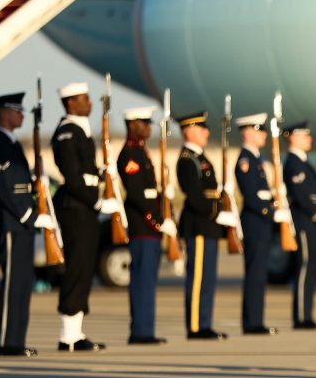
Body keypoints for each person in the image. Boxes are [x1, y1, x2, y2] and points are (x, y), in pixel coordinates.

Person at [52, 82, 117, 352]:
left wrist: (102, 173)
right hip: (77, 208)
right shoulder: (68, 132)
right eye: (84, 99)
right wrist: (98, 200)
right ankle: (68, 335)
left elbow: (85, 171)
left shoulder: (80, 131)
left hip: (85, 209)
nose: (90, 103)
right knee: (77, 268)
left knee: (85, 267)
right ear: (71, 103)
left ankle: (75, 332)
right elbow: (73, 177)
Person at [0, 92, 51, 357]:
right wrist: (30, 216)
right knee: (14, 283)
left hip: (22, 222)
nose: (22, 115)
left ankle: (16, 339)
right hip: (14, 222)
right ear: (4, 114)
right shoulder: (0, 145)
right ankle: (5, 341)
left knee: (24, 282)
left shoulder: (13, 144)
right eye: (17, 111)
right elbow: (7, 189)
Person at [118, 106, 175, 345]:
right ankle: (141, 331)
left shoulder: (141, 152)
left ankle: (145, 329)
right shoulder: (130, 154)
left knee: (148, 281)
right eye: (144, 123)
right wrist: (158, 222)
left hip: (149, 227)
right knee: (142, 280)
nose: (149, 128)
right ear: (133, 125)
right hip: (143, 226)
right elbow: (137, 194)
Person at [176, 111, 228, 340]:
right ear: (189, 131)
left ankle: (204, 323)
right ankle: (196, 326)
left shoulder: (201, 158)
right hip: (198, 225)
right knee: (197, 279)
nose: (207, 132)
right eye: (202, 128)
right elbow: (196, 196)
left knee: (208, 278)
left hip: (209, 226)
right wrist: (216, 211)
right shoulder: (188, 160)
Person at [234, 112, 277, 335]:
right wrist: (268, 211)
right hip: (255, 221)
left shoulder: (256, 159)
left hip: (261, 221)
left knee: (260, 273)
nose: (264, 135)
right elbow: (251, 196)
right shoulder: (245, 160)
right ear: (248, 132)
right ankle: (251, 322)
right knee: (254, 273)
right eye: (260, 130)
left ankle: (256, 320)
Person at [282, 122, 316, 330]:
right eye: (304, 136)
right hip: (305, 222)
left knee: (311, 269)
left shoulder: (303, 162)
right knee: (305, 267)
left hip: (312, 223)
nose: (309, 139)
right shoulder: (293, 163)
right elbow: (302, 196)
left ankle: (306, 314)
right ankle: (301, 317)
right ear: (293, 138)